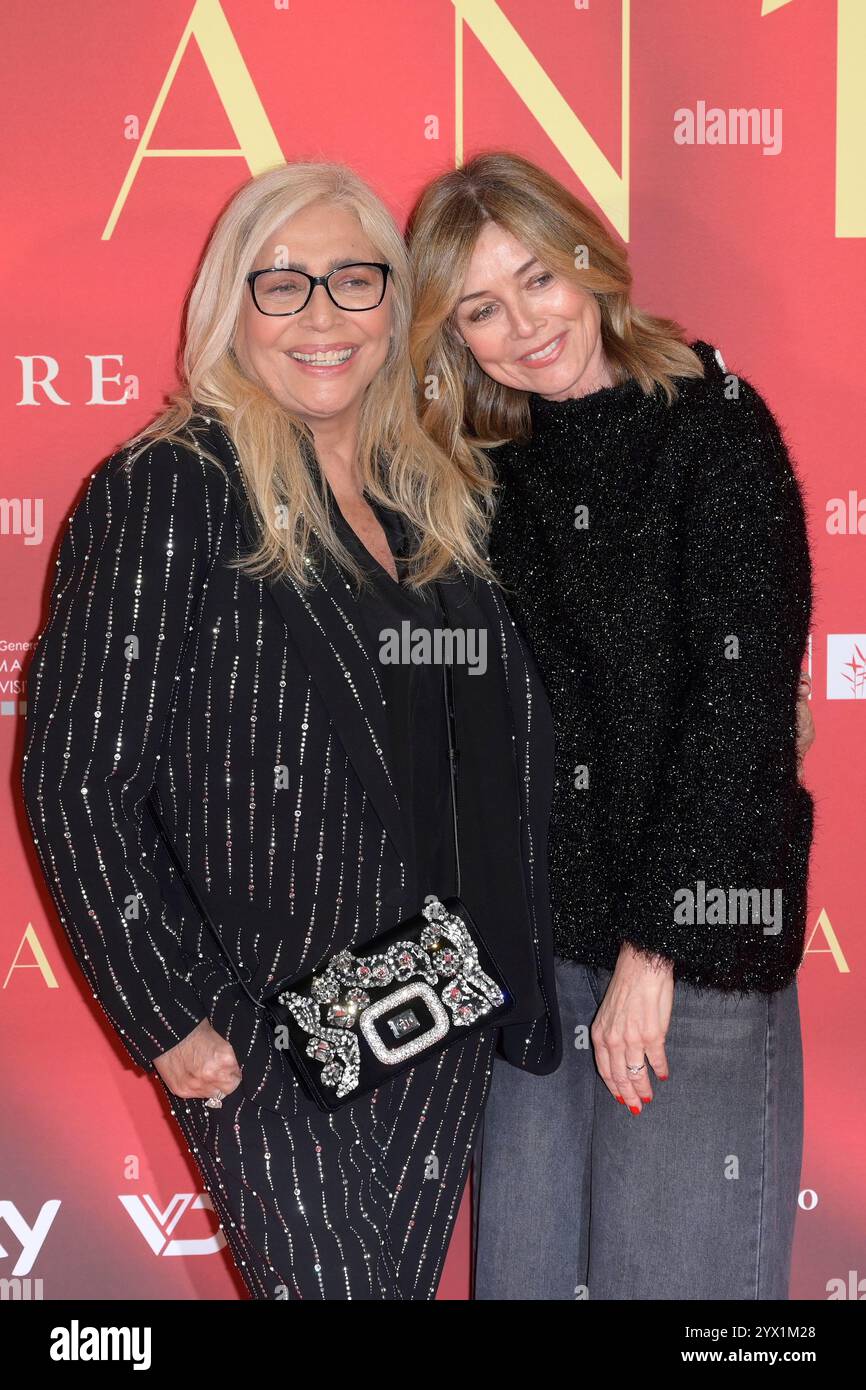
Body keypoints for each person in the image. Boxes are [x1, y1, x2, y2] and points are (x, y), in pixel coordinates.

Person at [20, 160, 561, 1301]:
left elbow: (517, 731)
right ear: (231, 303)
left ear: (394, 304)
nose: (322, 314)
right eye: (283, 283)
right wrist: (166, 1013)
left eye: (354, 281)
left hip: (435, 1003)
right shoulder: (167, 485)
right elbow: (74, 778)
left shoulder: (435, 501)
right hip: (261, 1027)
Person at [408, 150, 815, 1300]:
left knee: (674, 1289)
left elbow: (736, 708)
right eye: (478, 308)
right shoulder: (478, 478)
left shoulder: (710, 426)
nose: (521, 327)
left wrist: (655, 948)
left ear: (588, 262)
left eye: (536, 280)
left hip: (689, 948)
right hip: (536, 964)